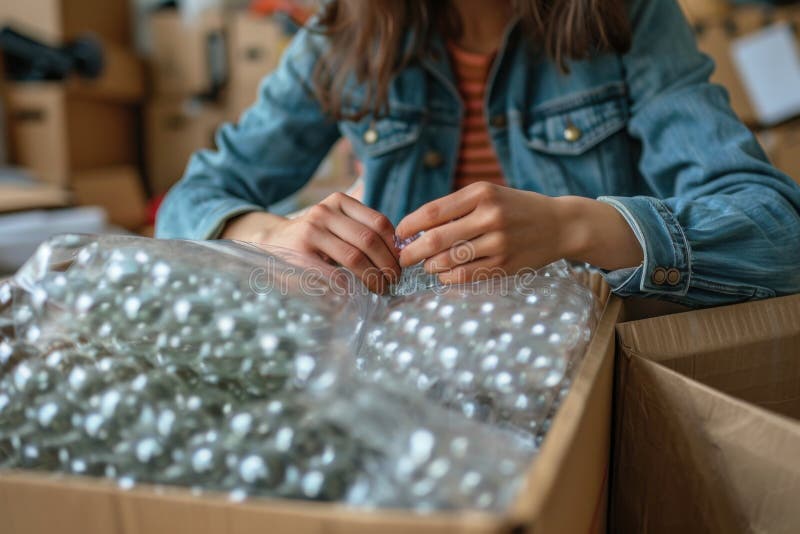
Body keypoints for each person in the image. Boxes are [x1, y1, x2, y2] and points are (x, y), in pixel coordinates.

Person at [156, 0, 800, 306]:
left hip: (599, 374)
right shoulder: (343, 35)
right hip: (409, 386)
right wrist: (274, 231)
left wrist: (571, 225)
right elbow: (186, 203)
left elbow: (777, 233)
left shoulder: (630, 16)